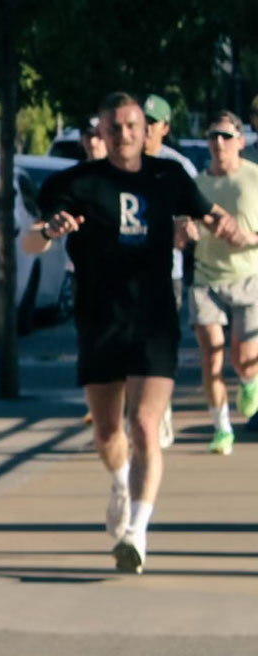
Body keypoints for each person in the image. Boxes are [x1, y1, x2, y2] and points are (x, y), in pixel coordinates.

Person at [26, 92, 238, 574]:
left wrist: (225, 228)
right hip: (99, 319)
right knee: (107, 432)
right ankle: (121, 484)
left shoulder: (168, 176)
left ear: (148, 130)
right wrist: (50, 230)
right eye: (114, 126)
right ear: (100, 131)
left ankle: (137, 532)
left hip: (153, 320)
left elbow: (208, 216)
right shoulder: (73, 183)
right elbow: (30, 241)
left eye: (132, 125)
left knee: (144, 425)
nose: (124, 135)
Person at [176, 110, 258, 454]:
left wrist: (248, 236)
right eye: (213, 136)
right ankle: (222, 428)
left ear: (240, 141)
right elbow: (179, 231)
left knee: (243, 355)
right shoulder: (196, 185)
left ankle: (250, 381)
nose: (218, 143)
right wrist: (186, 231)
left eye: (226, 136)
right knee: (211, 355)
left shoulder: (254, 178)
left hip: (247, 275)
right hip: (206, 280)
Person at [142, 93, 199, 450]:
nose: (144, 130)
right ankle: (141, 415)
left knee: (158, 347)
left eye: (152, 123)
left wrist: (186, 232)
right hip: (122, 272)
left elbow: (192, 220)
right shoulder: (121, 164)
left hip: (166, 273)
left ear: (165, 127)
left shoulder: (177, 168)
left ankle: (158, 413)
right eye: (140, 122)